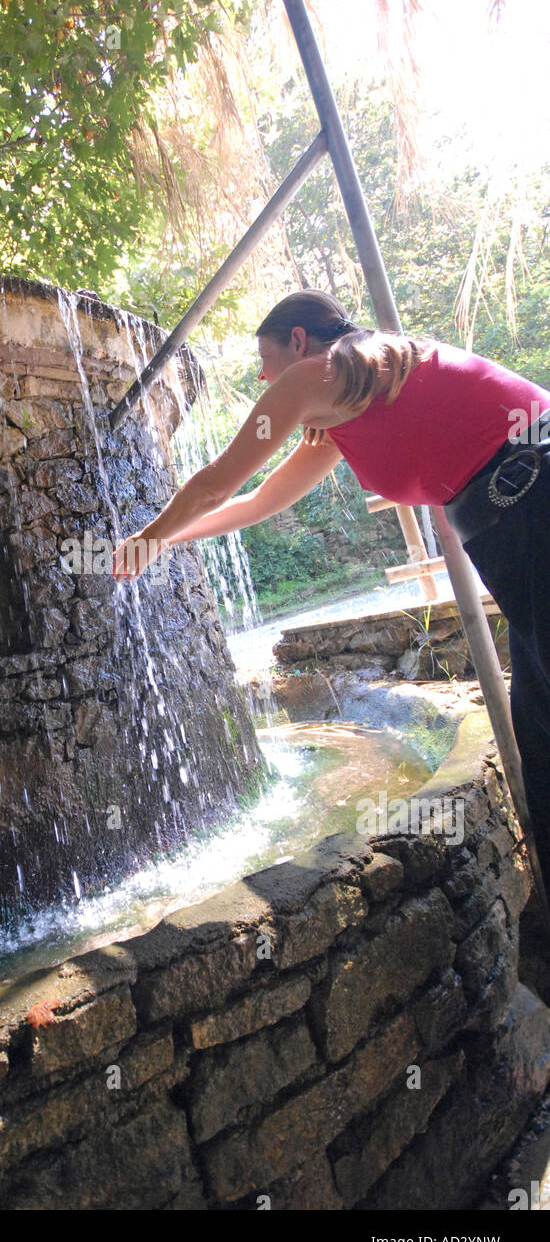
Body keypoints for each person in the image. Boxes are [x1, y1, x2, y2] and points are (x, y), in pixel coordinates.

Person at [112, 288, 550, 890]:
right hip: (513, 524)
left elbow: (214, 481)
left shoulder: (319, 376)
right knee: (539, 727)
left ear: (298, 341)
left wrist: (146, 538)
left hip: (535, 493)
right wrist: (166, 541)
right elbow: (260, 500)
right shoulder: (339, 409)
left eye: (264, 360)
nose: (263, 377)